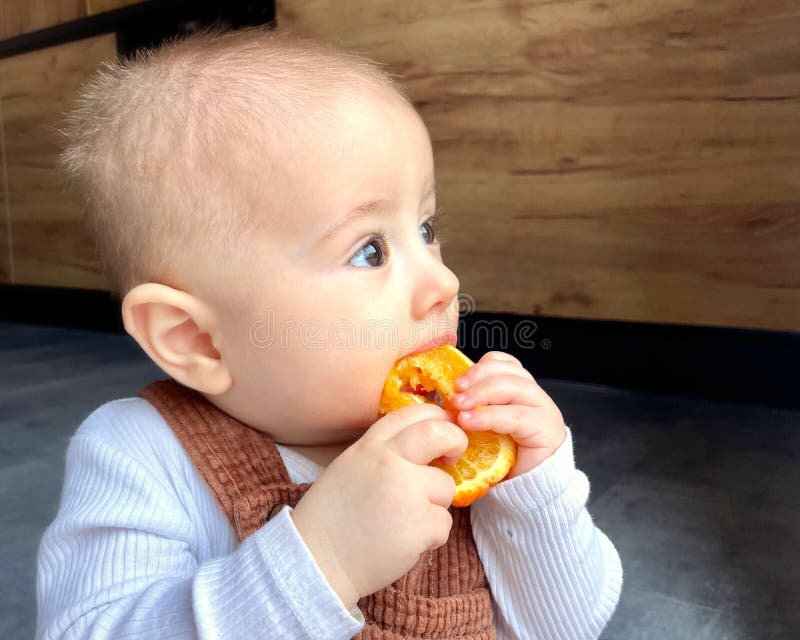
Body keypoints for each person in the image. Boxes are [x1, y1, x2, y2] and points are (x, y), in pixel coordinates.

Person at [36, 25, 622, 639]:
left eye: (425, 229)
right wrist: (323, 562)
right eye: (369, 250)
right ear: (195, 339)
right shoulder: (142, 454)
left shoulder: (460, 437)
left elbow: (567, 626)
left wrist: (535, 491)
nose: (443, 281)